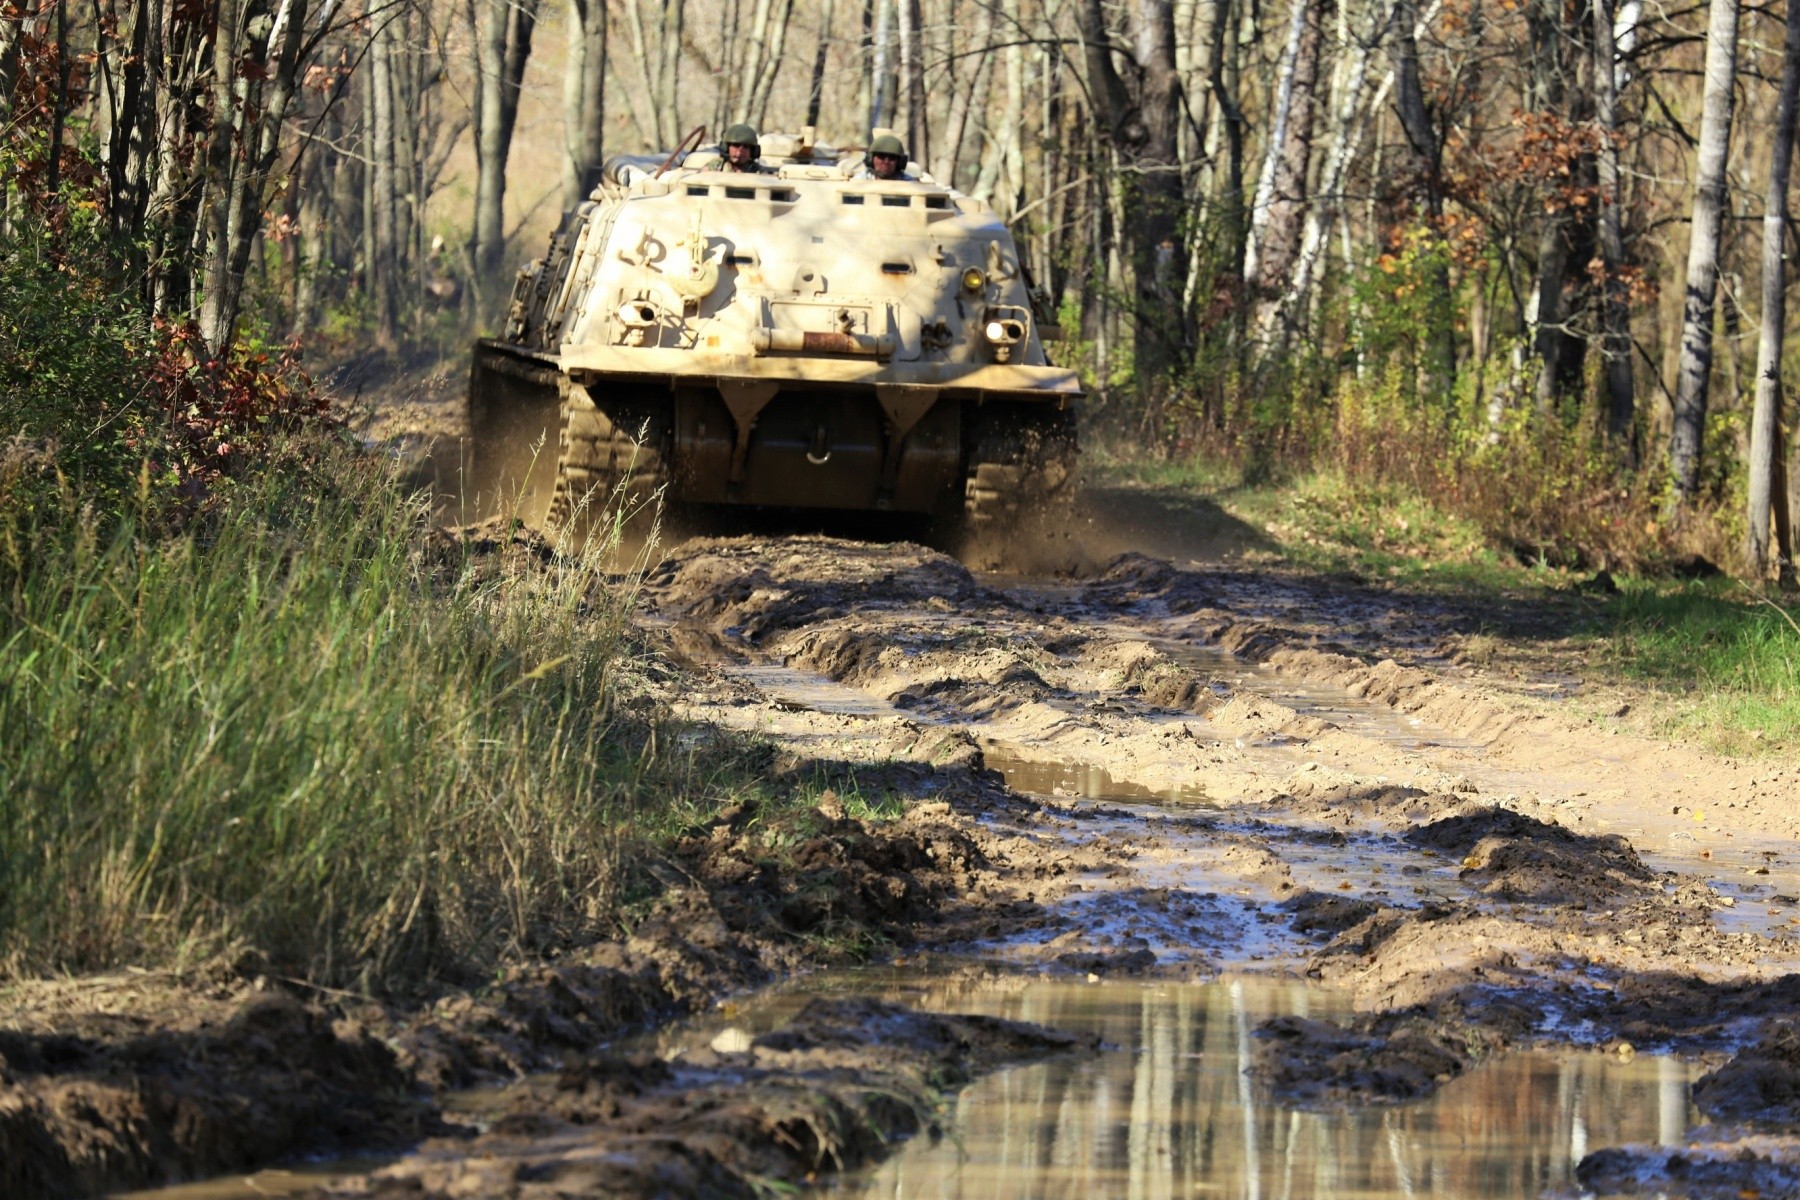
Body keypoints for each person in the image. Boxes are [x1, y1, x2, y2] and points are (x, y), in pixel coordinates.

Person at [690, 124, 769, 173]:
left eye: (745, 147)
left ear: (753, 151)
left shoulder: (757, 171)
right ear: (726, 147)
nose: (739, 152)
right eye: (735, 146)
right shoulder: (717, 166)